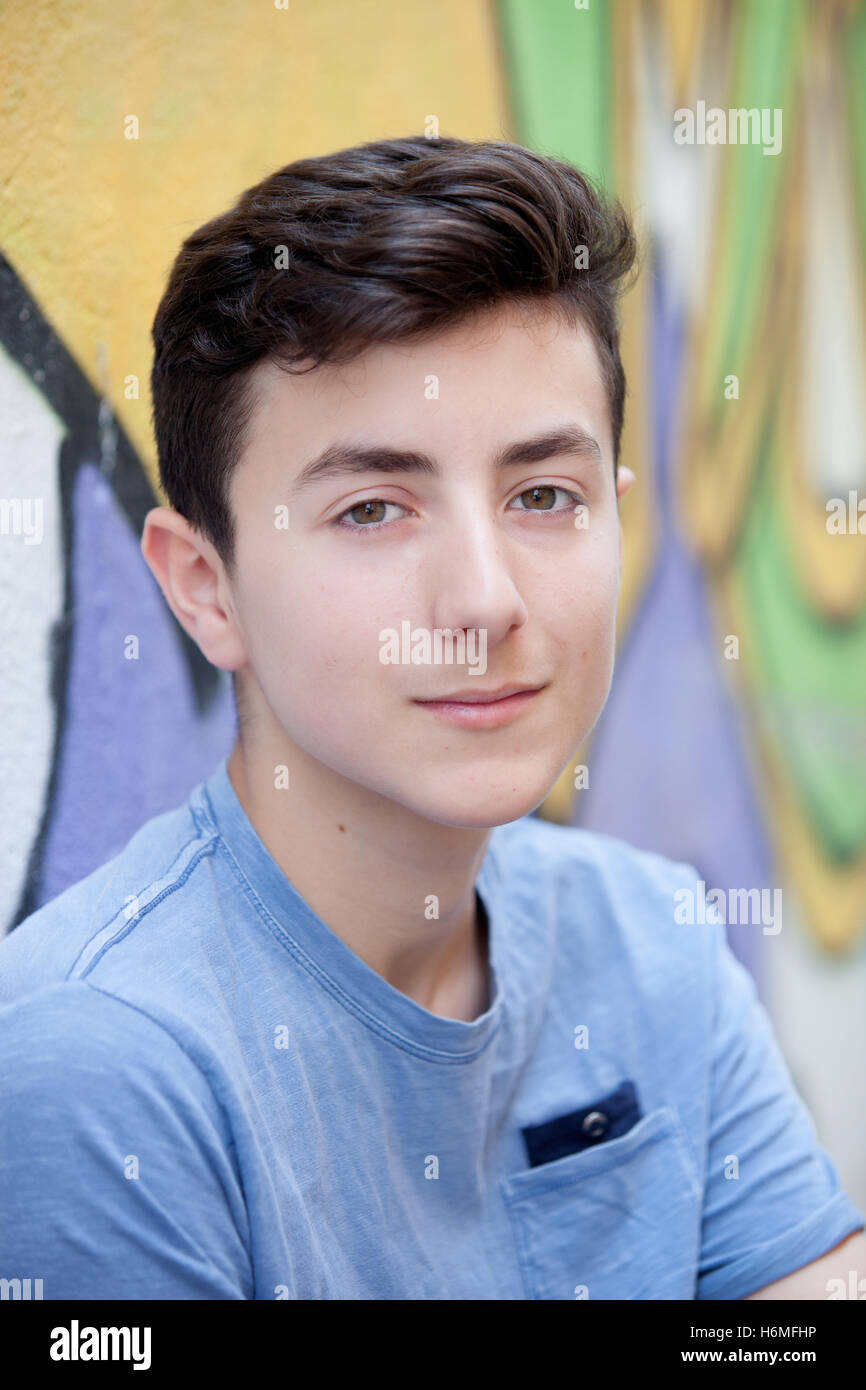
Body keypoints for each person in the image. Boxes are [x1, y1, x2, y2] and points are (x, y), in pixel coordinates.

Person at [0, 135, 863, 1301]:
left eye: (542, 496)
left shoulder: (647, 938)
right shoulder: (103, 1066)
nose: (485, 600)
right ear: (206, 588)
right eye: (371, 509)